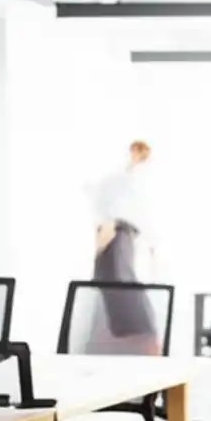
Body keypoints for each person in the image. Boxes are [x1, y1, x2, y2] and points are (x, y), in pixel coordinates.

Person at [87, 140, 161, 354]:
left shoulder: (132, 181)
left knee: (138, 318)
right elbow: (110, 218)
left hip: (123, 241)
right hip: (116, 240)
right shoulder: (118, 181)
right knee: (134, 316)